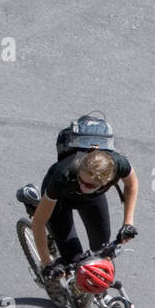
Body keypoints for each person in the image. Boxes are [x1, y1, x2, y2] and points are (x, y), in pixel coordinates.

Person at [16, 114, 139, 297]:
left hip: (92, 200)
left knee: (102, 252)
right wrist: (47, 264)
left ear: (106, 179)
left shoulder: (118, 164)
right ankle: (35, 203)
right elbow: (39, 223)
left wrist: (128, 223)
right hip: (61, 199)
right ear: (80, 168)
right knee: (73, 258)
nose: (83, 186)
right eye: (81, 180)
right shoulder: (62, 174)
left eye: (90, 185)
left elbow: (132, 185)